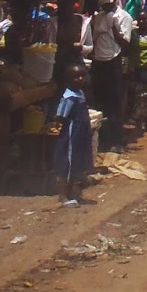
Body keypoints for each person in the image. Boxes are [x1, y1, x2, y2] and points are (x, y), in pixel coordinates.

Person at [82, 0, 135, 150]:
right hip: (99, 61)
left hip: (114, 60)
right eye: (104, 6)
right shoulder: (97, 17)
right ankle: (103, 138)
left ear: (115, 2)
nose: (106, 8)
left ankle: (117, 140)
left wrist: (113, 27)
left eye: (109, 5)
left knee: (115, 102)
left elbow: (125, 44)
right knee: (100, 101)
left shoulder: (124, 17)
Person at [51, 62, 94, 206]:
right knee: (66, 164)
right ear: (68, 80)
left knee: (78, 164)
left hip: (81, 134)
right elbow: (60, 116)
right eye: (76, 77)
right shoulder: (69, 97)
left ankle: (76, 194)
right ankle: (63, 196)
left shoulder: (80, 94)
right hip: (71, 135)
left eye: (82, 76)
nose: (80, 79)